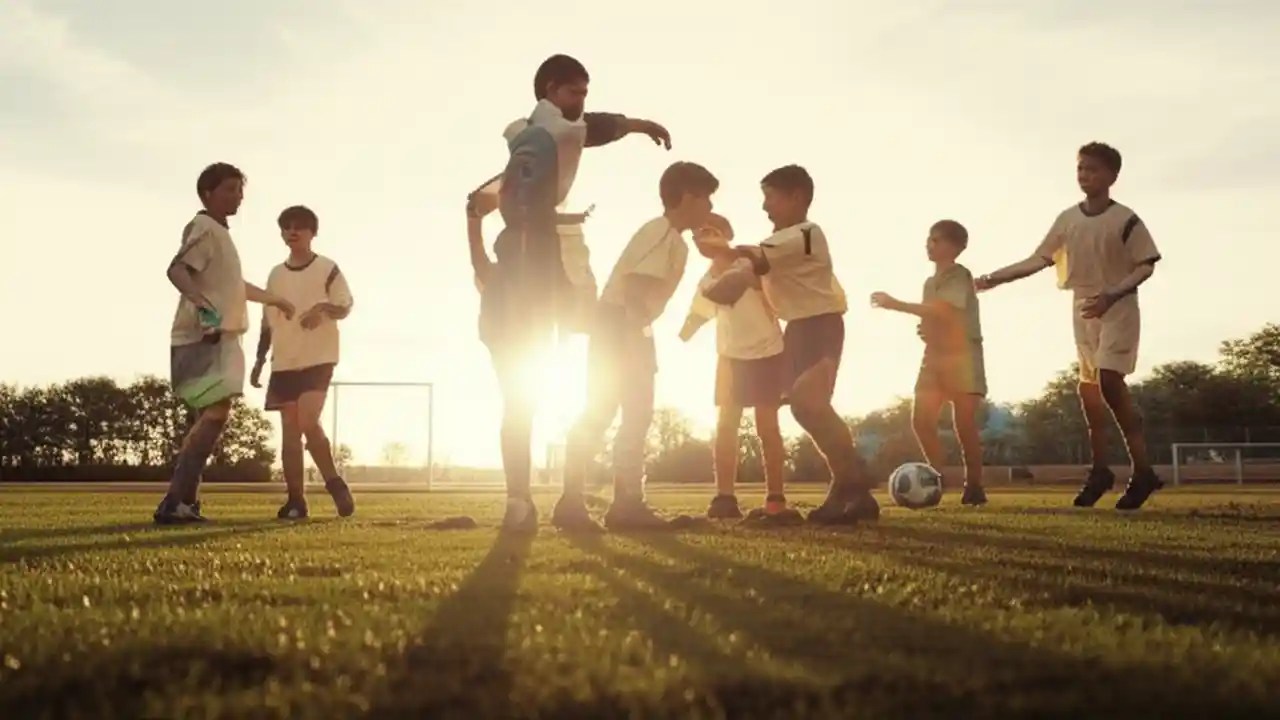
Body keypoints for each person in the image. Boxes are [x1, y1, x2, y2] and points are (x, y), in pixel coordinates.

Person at [474, 54, 675, 531]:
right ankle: (557, 493)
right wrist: (642, 123)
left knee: (593, 339)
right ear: (549, 89)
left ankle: (565, 492)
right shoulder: (553, 129)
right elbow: (598, 127)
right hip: (546, 246)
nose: (581, 103)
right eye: (573, 93)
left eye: (585, 93)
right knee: (590, 343)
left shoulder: (531, 126)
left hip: (556, 240)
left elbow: (518, 148)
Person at [975, 141, 1162, 510]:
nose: (1084, 175)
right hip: (1082, 308)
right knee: (1088, 392)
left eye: (1092, 169)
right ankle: (1100, 471)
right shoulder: (1068, 219)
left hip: (1117, 307)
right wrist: (995, 277)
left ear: (1112, 175)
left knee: (1110, 380)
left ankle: (1142, 471)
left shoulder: (1126, 219)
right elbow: (1039, 258)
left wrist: (1113, 294)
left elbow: (1146, 264)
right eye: (1080, 168)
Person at [702, 165, 878, 524]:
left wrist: (723, 249)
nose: (765, 207)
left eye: (771, 197)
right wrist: (723, 283)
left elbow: (752, 256)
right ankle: (853, 490)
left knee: (807, 402)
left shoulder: (807, 233)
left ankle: (851, 481)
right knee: (804, 408)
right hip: (795, 331)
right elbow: (747, 273)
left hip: (822, 325)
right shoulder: (781, 240)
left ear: (797, 197)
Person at [553, 161, 719, 532]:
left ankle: (576, 500)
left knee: (602, 412)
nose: (710, 207)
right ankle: (624, 504)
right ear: (688, 198)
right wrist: (640, 343)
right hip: (624, 325)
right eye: (706, 199)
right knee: (633, 414)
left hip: (614, 324)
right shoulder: (665, 234)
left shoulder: (663, 233)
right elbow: (637, 293)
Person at [156, 162, 294, 524]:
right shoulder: (204, 226)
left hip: (224, 337)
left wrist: (274, 299)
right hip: (206, 336)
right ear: (207, 193)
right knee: (216, 413)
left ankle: (186, 501)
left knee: (212, 416)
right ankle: (175, 501)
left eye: (240, 189)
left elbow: (236, 287)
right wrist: (203, 308)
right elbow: (177, 269)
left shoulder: (220, 234)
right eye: (230, 189)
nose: (238, 196)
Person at [679, 214, 795, 524]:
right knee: (725, 425)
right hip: (730, 357)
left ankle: (775, 500)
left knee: (767, 427)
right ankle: (724, 498)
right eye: (697, 236)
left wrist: (735, 257)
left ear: (726, 235)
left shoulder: (751, 262)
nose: (702, 239)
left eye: (709, 232)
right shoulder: (705, 280)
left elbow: (766, 287)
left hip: (768, 352)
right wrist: (684, 332)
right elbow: (701, 312)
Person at [250, 205, 356, 520]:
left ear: (312, 233)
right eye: (287, 227)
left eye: (300, 227)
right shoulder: (275, 275)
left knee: (309, 420)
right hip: (284, 361)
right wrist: (259, 360)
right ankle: (296, 501)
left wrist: (322, 309)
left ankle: (334, 483)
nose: (293, 231)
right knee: (289, 433)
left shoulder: (327, 267)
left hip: (318, 357)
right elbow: (266, 322)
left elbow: (345, 305)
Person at [871, 220, 987, 506]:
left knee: (964, 422)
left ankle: (974, 484)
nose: (929, 244)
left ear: (955, 247)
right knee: (921, 420)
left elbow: (943, 311)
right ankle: (935, 479)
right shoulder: (929, 283)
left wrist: (895, 304)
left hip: (962, 355)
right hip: (934, 355)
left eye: (936, 240)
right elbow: (932, 317)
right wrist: (925, 330)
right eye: (929, 239)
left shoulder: (961, 276)